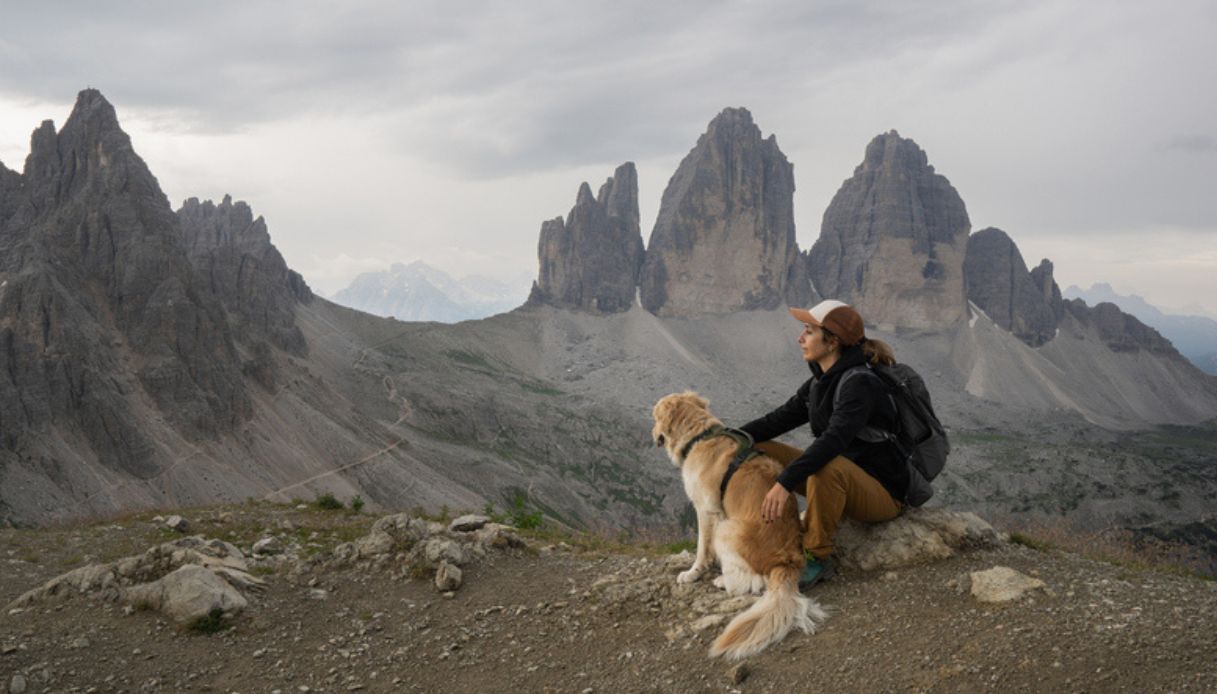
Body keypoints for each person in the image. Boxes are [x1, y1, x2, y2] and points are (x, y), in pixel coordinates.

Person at [738, 299, 907, 590]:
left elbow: (833, 441)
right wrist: (729, 437)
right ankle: (768, 533)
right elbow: (778, 419)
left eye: (809, 331)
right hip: (841, 481)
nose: (800, 338)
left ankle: (816, 556)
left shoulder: (860, 383)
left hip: (882, 495)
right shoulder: (821, 381)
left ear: (833, 342)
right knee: (757, 448)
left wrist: (783, 483)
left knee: (826, 464)